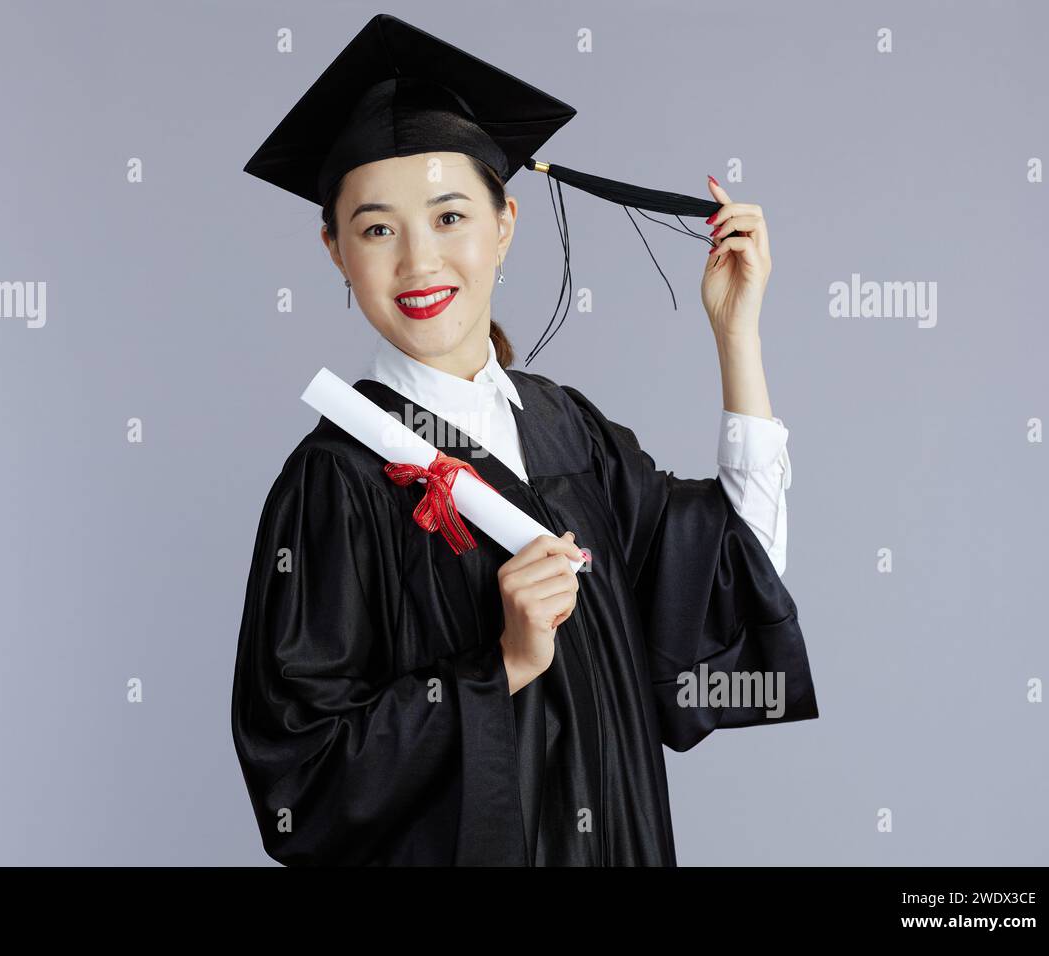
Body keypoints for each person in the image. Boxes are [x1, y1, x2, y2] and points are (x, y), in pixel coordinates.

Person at [232, 13, 817, 866]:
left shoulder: (564, 426)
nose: (420, 263)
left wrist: (738, 339)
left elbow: (737, 577)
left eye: (450, 216)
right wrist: (496, 666)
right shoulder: (337, 484)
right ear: (336, 251)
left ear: (505, 223)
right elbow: (300, 779)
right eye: (377, 229)